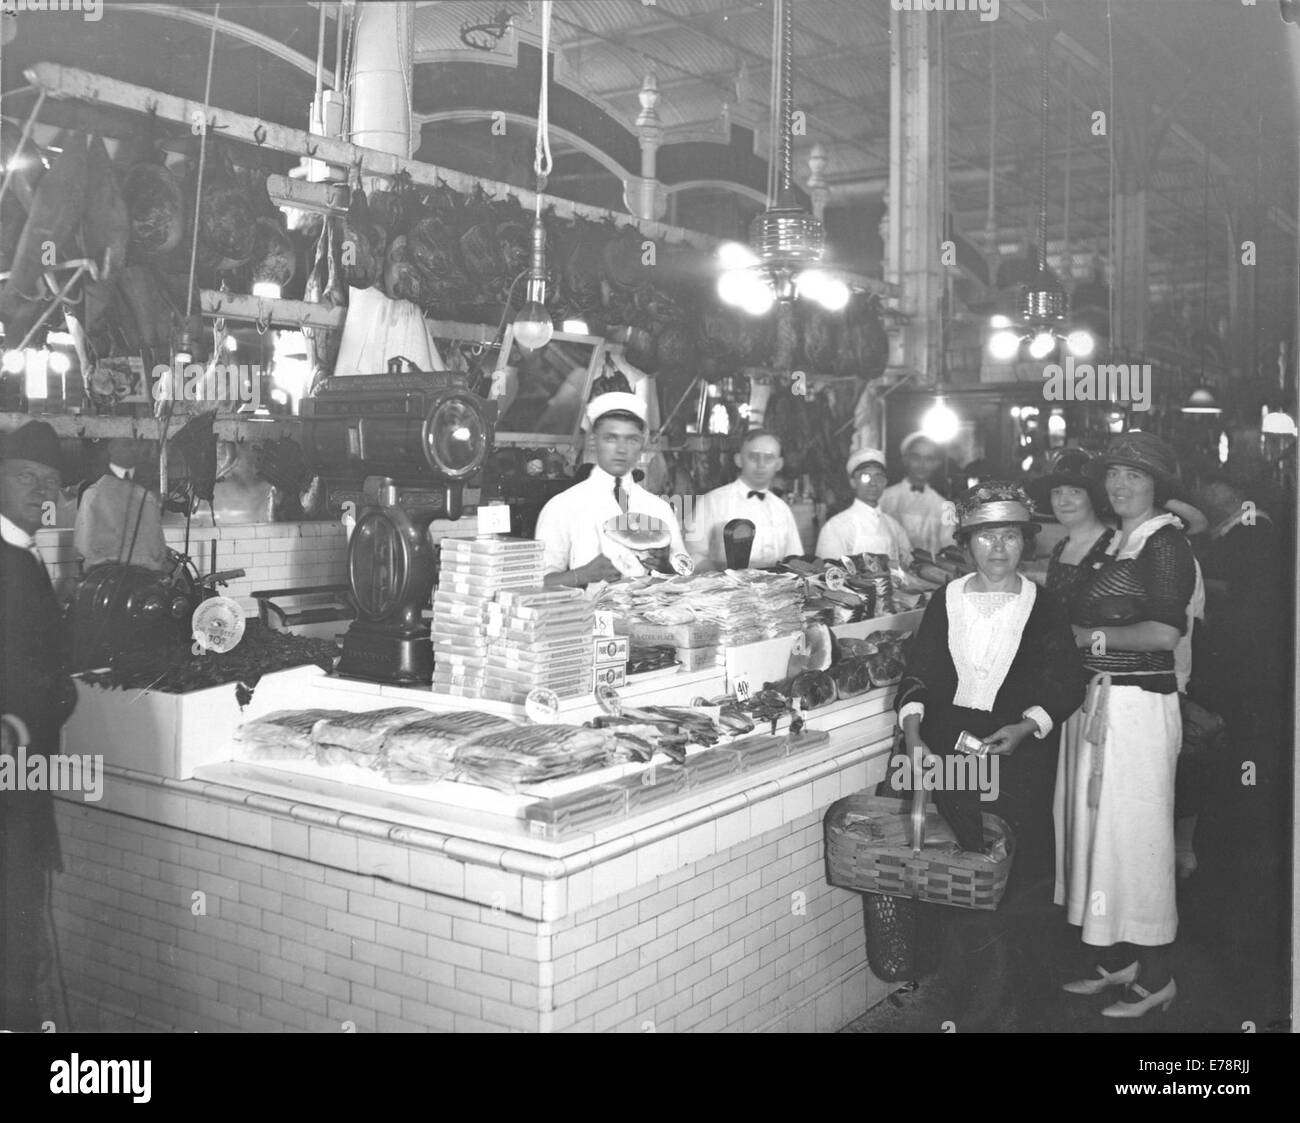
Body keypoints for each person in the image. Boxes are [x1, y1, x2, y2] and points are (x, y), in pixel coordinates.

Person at [1053, 431, 1196, 1019]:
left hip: (1138, 707)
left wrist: (1093, 638)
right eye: (1114, 474)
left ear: (1157, 486)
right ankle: (1120, 960)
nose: (1119, 485)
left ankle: (1158, 977)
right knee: (1106, 839)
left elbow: (1165, 634)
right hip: (1104, 703)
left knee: (1138, 841)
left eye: (1133, 476)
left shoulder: (1165, 544)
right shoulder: (1121, 541)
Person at [896, 481, 1085, 881]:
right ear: (967, 544)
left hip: (1017, 760)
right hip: (945, 757)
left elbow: (1068, 682)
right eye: (986, 536)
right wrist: (913, 738)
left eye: (1010, 536)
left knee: (1013, 871)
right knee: (946, 869)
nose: (998, 548)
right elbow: (918, 674)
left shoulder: (1046, 606)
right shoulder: (945, 600)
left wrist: (1025, 727)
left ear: (1024, 544)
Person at [1, 420, 78, 1031]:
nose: (40, 490)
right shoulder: (7, 561)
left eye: (50, 482)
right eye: (27, 476)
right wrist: (58, 696)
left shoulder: (24, 556)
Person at [536, 392, 684, 589]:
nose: (621, 449)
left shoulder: (660, 508)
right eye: (611, 438)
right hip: (586, 617)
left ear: (642, 444)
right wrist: (581, 575)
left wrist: (666, 567)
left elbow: (684, 572)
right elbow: (536, 583)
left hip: (645, 616)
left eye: (631, 440)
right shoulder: (562, 506)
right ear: (593, 441)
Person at [686, 431, 803, 571]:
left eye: (769, 458)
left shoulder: (782, 509)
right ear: (739, 460)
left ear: (779, 464)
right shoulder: (709, 502)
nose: (761, 464)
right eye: (753, 457)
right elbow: (691, 556)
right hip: (724, 590)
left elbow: (795, 559)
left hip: (777, 590)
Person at [74, 438, 167, 574]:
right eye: (128, 443)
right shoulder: (91, 488)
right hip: (106, 576)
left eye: (138, 444)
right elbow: (83, 545)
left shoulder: (151, 487)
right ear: (111, 447)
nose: (135, 449)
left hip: (145, 576)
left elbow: (157, 542)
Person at [815, 449, 914, 569]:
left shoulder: (894, 526)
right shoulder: (835, 527)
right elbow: (830, 575)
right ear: (853, 482)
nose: (873, 483)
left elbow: (909, 565)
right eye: (865, 477)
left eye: (879, 477)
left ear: (885, 483)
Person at [880, 433, 956, 557]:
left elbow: (950, 547)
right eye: (916, 457)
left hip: (931, 573)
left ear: (936, 463)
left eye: (929, 459)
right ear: (906, 459)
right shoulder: (884, 498)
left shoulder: (947, 507)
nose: (922, 464)